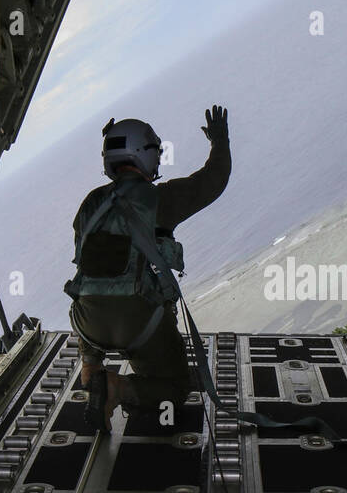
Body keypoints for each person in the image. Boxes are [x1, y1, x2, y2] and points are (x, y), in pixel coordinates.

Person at [65, 106, 230, 428]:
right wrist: (220, 141)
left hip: (88, 321)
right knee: (174, 389)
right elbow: (212, 181)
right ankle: (118, 386)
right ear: (144, 153)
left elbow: (87, 270)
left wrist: (91, 351)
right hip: (137, 317)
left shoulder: (90, 203)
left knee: (93, 298)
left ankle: (91, 370)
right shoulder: (159, 199)